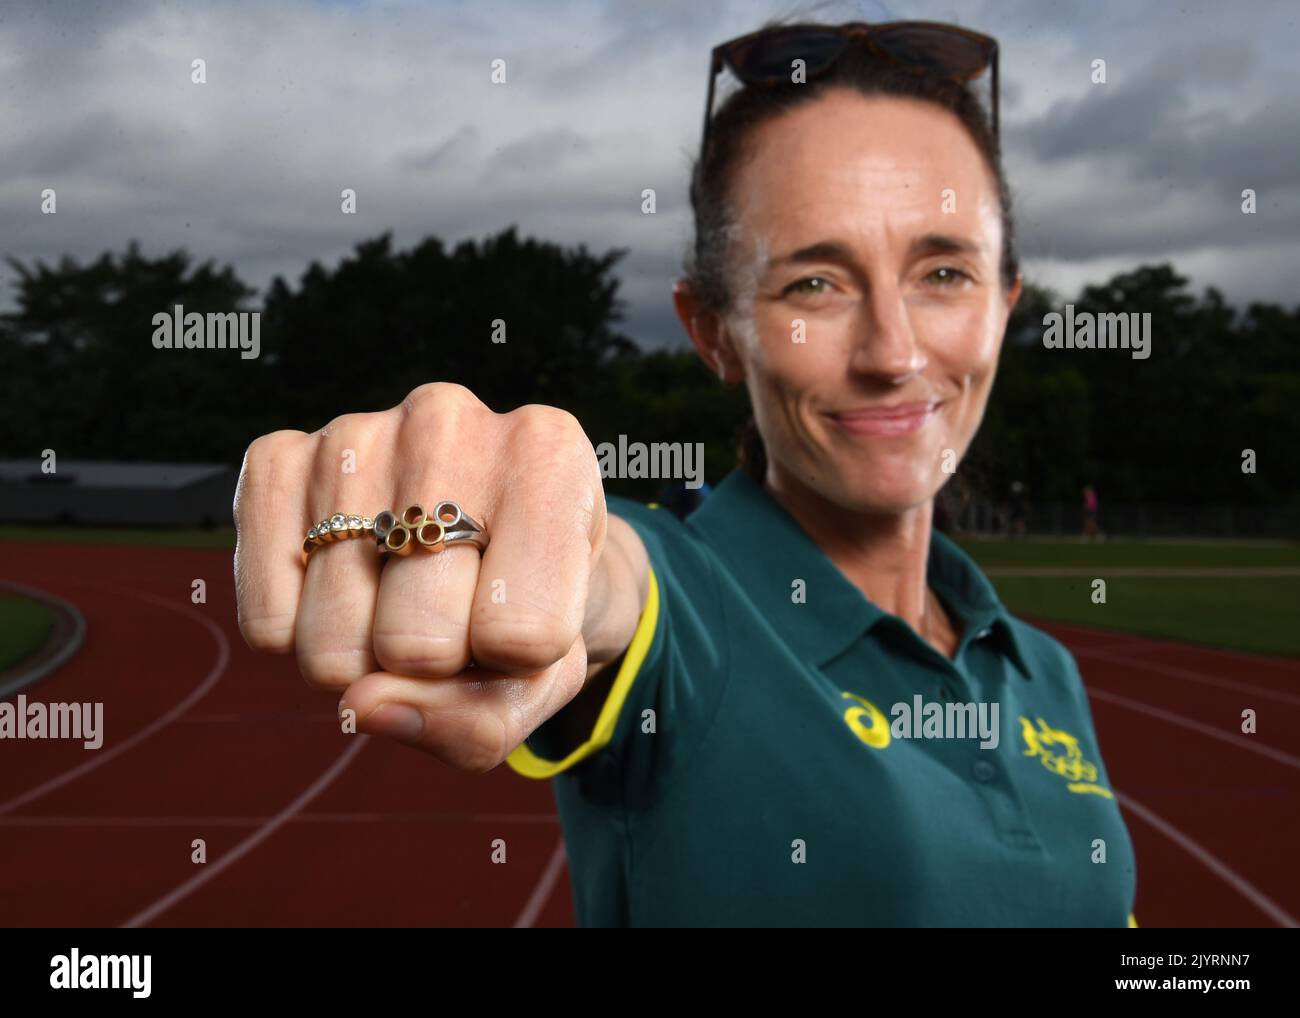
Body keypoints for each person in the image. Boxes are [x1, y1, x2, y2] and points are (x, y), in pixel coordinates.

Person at [232, 17, 1136, 927]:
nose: (894, 354)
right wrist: (511, 535)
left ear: (1006, 304)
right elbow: (612, 589)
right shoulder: (685, 610)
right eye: (813, 285)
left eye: (945, 272)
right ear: (713, 331)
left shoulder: (1042, 671)